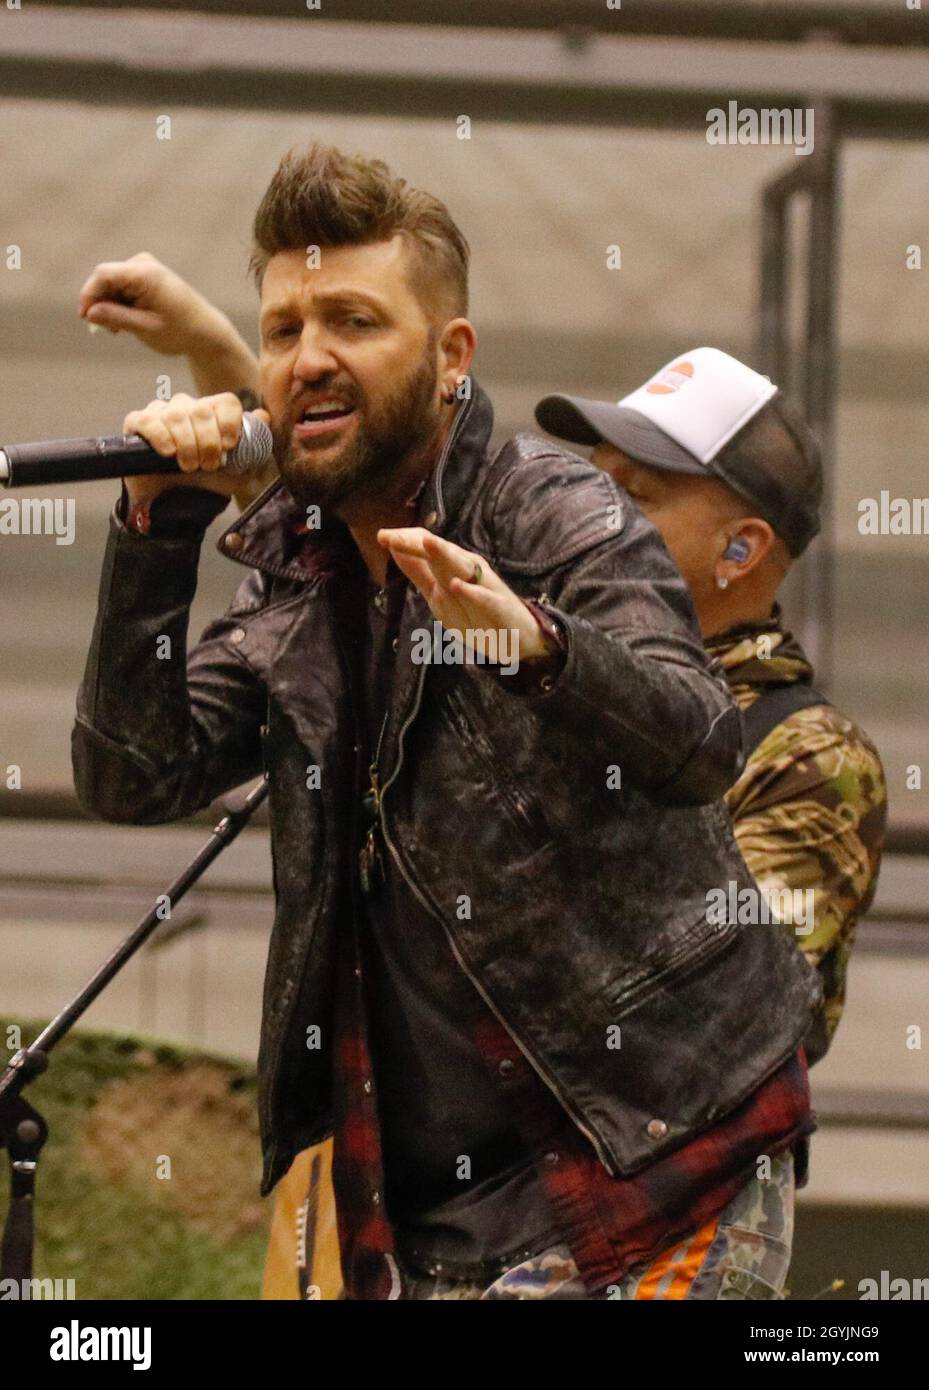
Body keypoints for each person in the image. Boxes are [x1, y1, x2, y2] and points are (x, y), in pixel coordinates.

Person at [73, 144, 818, 1301]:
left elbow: (697, 737)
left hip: (655, 1162)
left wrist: (535, 646)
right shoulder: (297, 582)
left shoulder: (549, 510)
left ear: (450, 356)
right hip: (436, 1222)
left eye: (353, 321)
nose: (309, 357)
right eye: (283, 330)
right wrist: (154, 528)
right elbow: (134, 773)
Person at [535, 348, 887, 1067]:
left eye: (632, 496)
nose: (582, 516)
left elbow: (728, 1017)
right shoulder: (534, 670)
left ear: (738, 550)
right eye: (587, 484)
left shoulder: (810, 757)